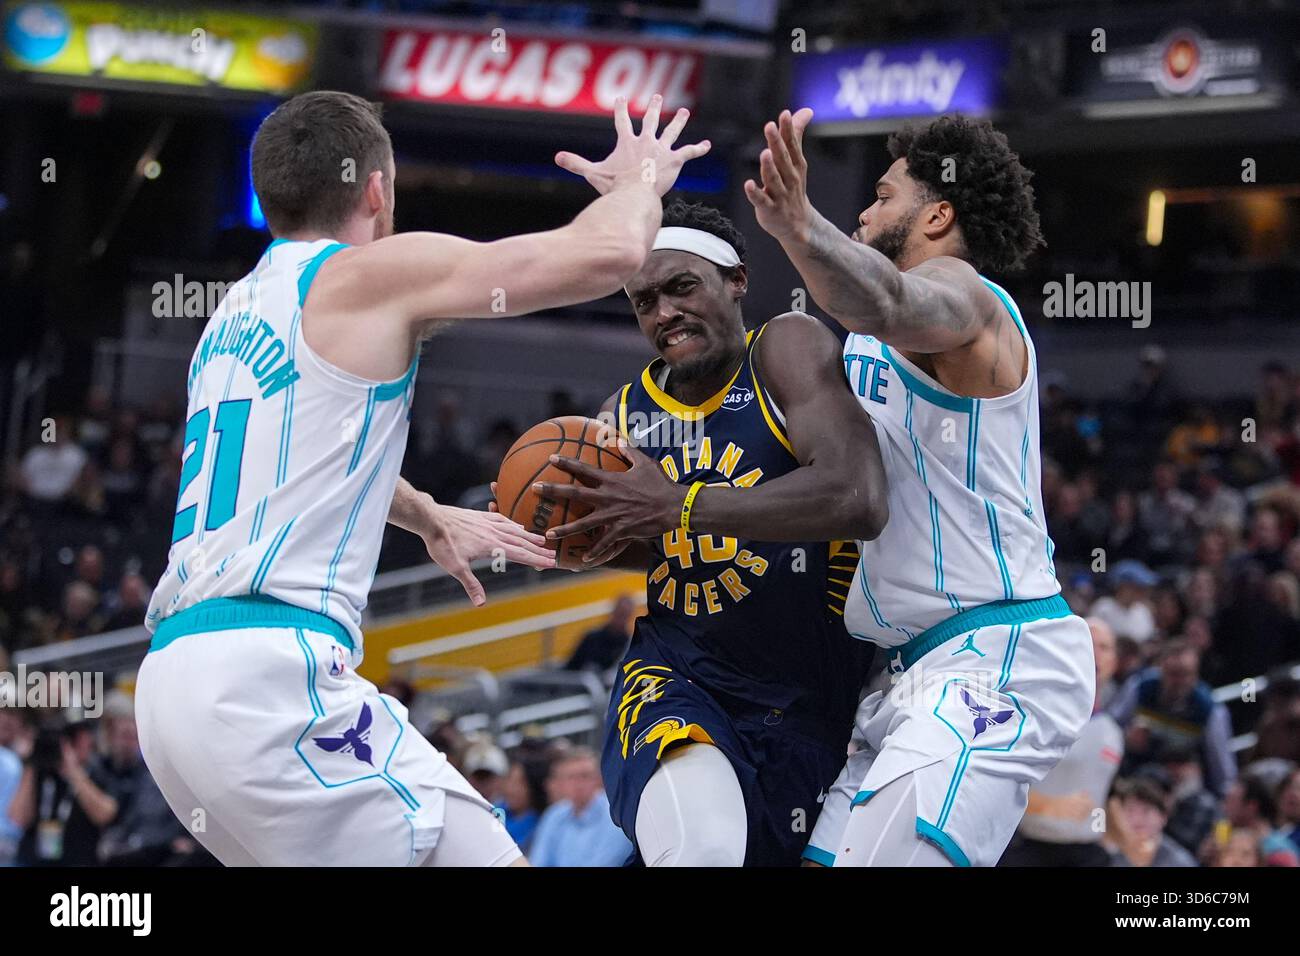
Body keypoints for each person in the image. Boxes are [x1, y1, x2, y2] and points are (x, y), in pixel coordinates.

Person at [134, 89, 710, 867]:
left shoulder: (233, 314)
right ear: (376, 188)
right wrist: (641, 181)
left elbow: (300, 455)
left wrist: (421, 510)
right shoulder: (362, 275)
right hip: (269, 676)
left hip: (173, 684)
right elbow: (603, 257)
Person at [746, 109, 1094, 867]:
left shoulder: (966, 301)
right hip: (900, 677)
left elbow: (892, 301)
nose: (864, 211)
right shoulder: (868, 339)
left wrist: (801, 228)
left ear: (938, 214)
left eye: (882, 194)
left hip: (993, 656)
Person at [534, 200, 885, 866]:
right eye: (643, 302)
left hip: (809, 706)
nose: (662, 313)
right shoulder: (625, 413)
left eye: (680, 287)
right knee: (703, 852)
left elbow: (857, 496)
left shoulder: (786, 347)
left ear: (736, 281)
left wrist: (677, 506)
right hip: (677, 676)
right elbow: (652, 540)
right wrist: (571, 544)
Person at [1000, 618, 1123, 866]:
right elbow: (1004, 783)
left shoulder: (1114, 732)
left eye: (1104, 647)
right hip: (1029, 849)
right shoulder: (1036, 714)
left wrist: (1122, 838)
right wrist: (1048, 806)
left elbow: (1103, 796)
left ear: (1114, 662)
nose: (1095, 652)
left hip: (1086, 854)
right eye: (1088, 641)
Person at [1107, 640, 1237, 797]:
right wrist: (1126, 738)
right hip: (1136, 768)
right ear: (1161, 669)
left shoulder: (1210, 710)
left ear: (1196, 675)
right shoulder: (1140, 687)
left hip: (1182, 783)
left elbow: (1221, 767)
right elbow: (1109, 726)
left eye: (1186, 674)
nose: (1179, 682)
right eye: (1173, 673)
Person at [528, 749, 633, 867]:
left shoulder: (615, 815)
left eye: (585, 776)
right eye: (571, 777)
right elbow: (538, 862)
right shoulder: (554, 814)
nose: (578, 783)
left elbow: (606, 863)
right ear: (562, 783)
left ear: (599, 779)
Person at [564, 594, 636, 673]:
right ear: (613, 612)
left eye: (624, 615)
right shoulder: (591, 638)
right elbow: (571, 667)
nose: (621, 619)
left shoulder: (630, 646)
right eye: (619, 614)